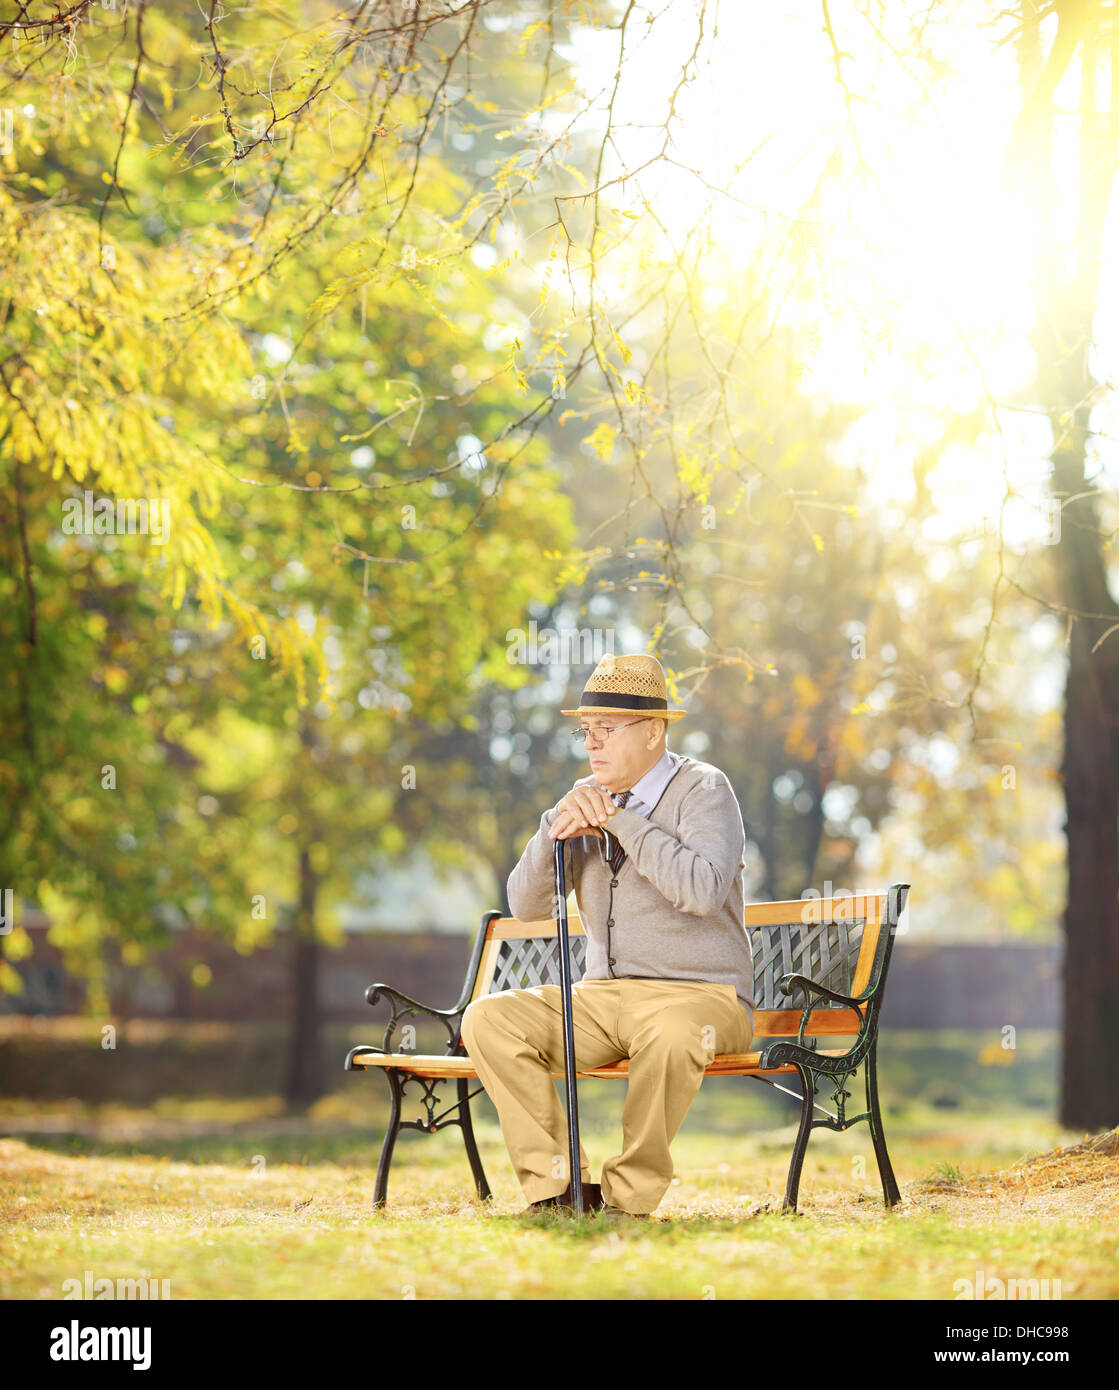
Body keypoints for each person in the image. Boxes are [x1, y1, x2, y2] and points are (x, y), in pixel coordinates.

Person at [460, 652, 755, 1222]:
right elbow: (526, 906)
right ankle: (560, 1189)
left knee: (671, 1032)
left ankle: (629, 1200)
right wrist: (556, 830)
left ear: (653, 731)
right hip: (602, 999)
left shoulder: (704, 789)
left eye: (608, 730)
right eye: (587, 731)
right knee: (487, 1019)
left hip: (703, 998)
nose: (592, 744)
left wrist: (620, 820)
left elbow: (700, 889)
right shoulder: (583, 797)